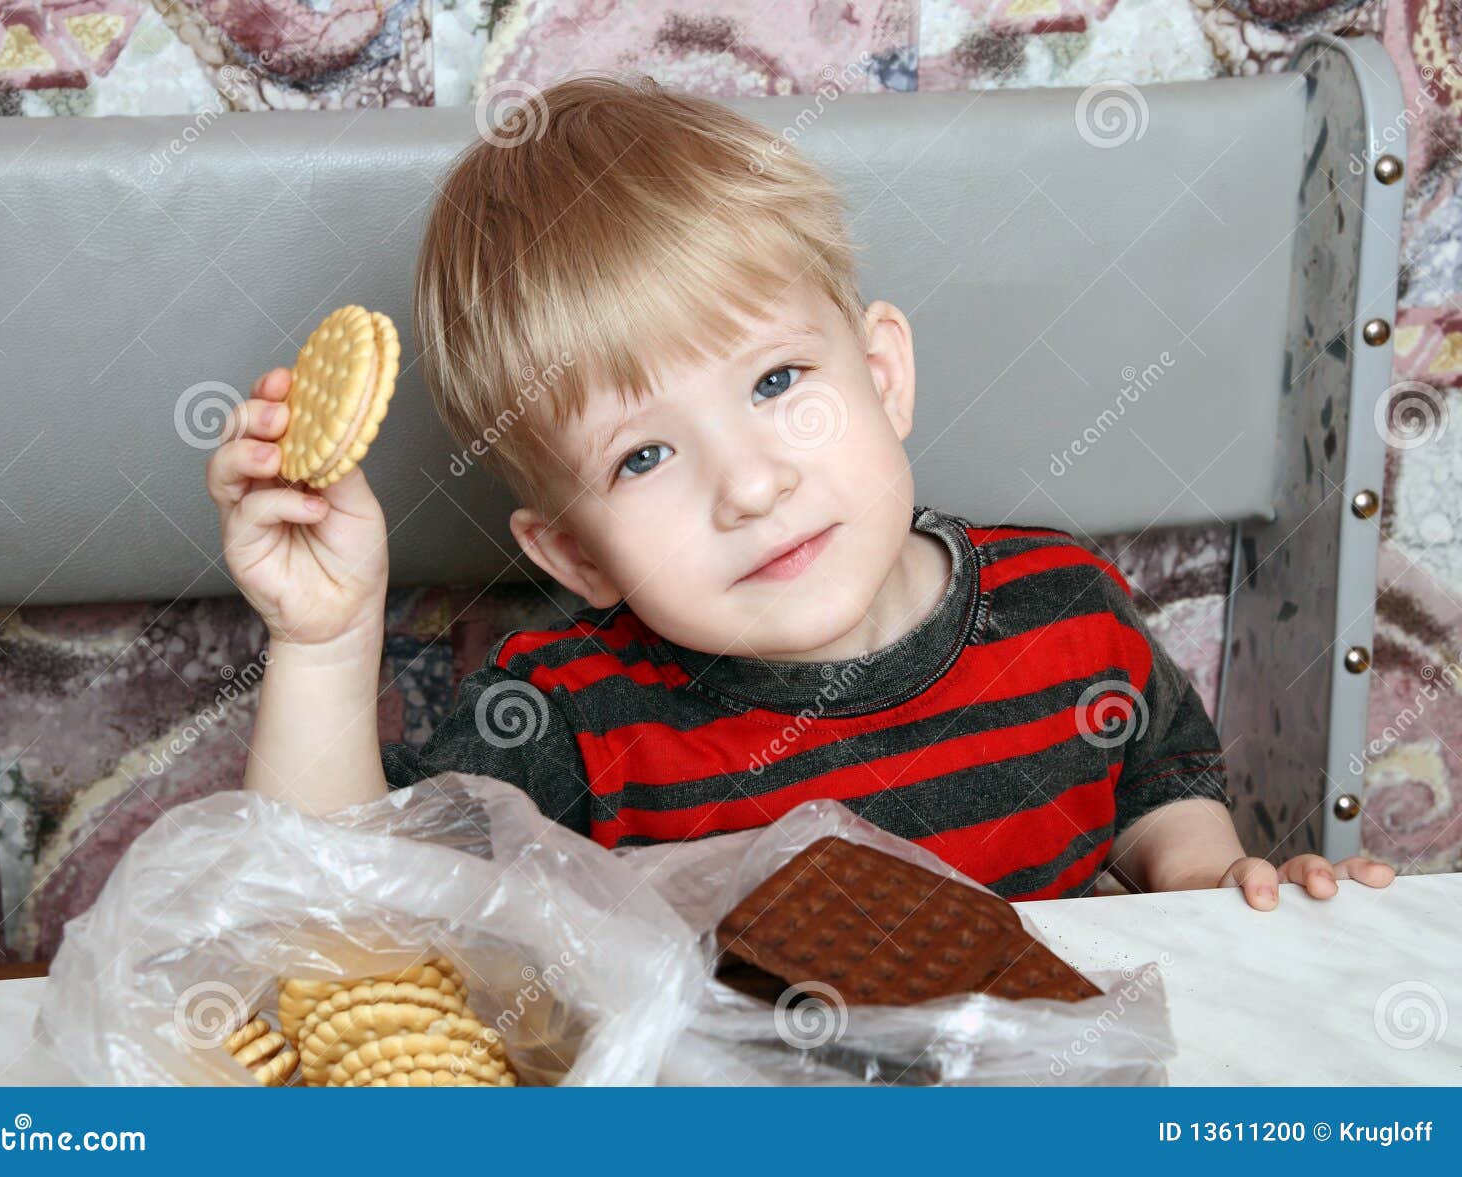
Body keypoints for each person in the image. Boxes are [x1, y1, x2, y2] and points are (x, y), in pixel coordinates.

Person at [207, 73, 1393, 911]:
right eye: (643, 457)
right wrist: (324, 640)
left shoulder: (1063, 609)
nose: (751, 483)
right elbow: (338, 908)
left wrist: (1203, 878)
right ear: (574, 554)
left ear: (882, 375)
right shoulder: (565, 720)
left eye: (776, 381)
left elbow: (1157, 788)